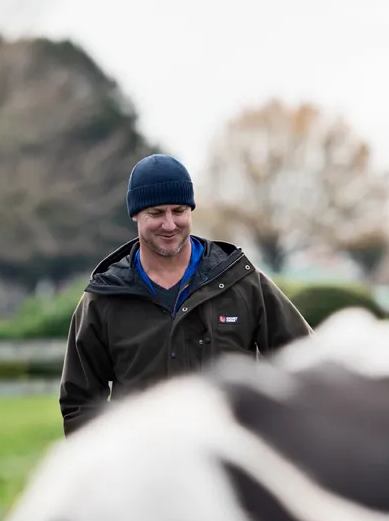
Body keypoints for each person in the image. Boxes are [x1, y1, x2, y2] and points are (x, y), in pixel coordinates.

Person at [58, 153, 313, 436]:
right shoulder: (104, 298)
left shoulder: (241, 282)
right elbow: (79, 403)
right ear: (135, 215)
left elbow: (307, 362)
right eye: (156, 213)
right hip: (141, 470)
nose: (169, 224)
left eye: (179, 210)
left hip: (228, 467)